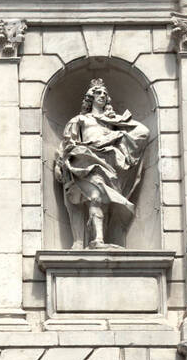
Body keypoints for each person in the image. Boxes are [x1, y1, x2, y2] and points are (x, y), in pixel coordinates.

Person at [53, 77, 150, 249]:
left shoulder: (112, 123)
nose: (102, 95)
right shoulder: (80, 120)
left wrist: (117, 122)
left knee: (103, 202)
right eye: (98, 92)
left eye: (105, 93)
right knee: (96, 197)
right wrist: (58, 164)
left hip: (108, 163)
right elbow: (67, 143)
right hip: (85, 161)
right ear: (90, 97)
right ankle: (97, 240)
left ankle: (100, 239)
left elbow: (143, 132)